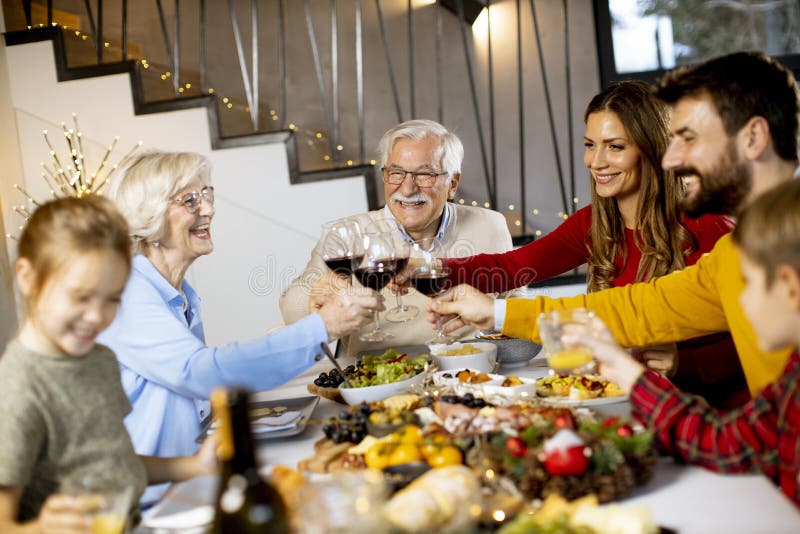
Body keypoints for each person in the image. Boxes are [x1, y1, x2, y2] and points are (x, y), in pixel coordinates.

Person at [430, 51, 799, 398]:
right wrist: (433, 273)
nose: (596, 161)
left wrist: (684, 363)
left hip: (713, 408)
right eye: (590, 145)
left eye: (691, 139)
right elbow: (629, 309)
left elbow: (745, 351)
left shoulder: (721, 232)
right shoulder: (736, 250)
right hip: (671, 414)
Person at [96, 150, 381, 504]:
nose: (209, 209)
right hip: (145, 505)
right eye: (190, 200)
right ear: (148, 215)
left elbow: (196, 388)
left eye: (206, 195)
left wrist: (284, 342)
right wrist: (318, 329)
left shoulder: (179, 293)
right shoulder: (129, 293)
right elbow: (200, 373)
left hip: (188, 482)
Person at [575, 179, 800, 507]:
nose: (737, 300)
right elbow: (723, 441)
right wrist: (629, 374)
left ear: (790, 288)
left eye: (746, 283)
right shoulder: (792, 379)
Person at [0, 197, 216, 533]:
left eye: (112, 299)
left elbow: (114, 464)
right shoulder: (18, 387)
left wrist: (193, 466)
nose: (97, 317)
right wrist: (41, 528)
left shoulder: (98, 360)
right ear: (28, 277)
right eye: (80, 297)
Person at [280, 119, 515, 356]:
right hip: (381, 380)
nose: (407, 189)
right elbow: (292, 310)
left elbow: (514, 298)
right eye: (396, 173)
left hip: (472, 372)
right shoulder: (348, 233)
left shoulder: (490, 224)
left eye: (425, 175)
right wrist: (319, 292)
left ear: (452, 183)